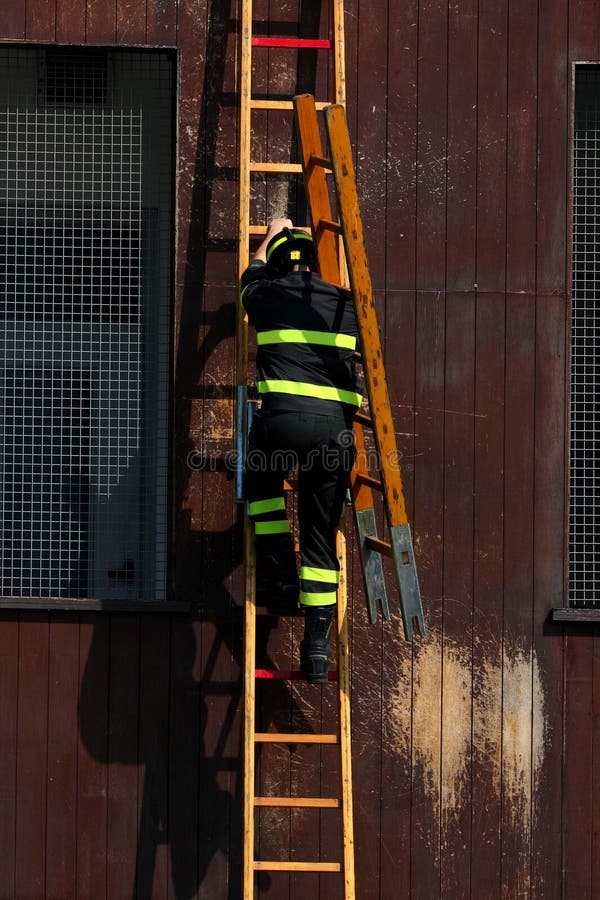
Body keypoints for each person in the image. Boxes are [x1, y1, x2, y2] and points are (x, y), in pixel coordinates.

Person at [240, 217, 362, 683]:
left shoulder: (267, 297)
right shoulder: (347, 306)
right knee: (319, 534)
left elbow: (249, 280)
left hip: (281, 426)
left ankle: (280, 572)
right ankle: (315, 646)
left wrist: (269, 235)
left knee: (260, 482)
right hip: (334, 435)